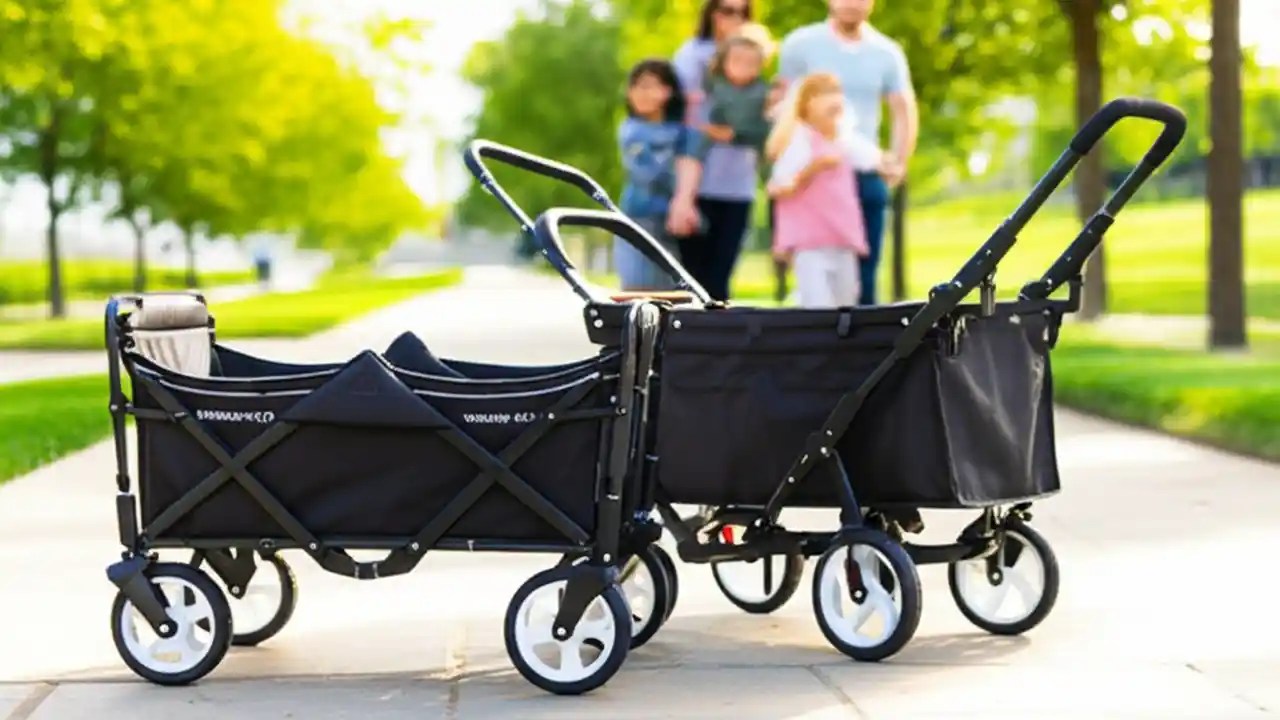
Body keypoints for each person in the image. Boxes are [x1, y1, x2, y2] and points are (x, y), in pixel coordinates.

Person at [776, 0, 919, 306]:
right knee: (814, 270)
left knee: (862, 278)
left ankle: (865, 349)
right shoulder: (800, 45)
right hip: (813, 173)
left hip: (863, 171)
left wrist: (898, 160)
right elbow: (783, 105)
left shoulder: (886, 52)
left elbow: (902, 109)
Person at [767, 73, 894, 308]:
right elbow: (779, 186)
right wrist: (813, 168)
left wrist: (889, 165)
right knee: (817, 304)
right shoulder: (800, 140)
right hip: (810, 241)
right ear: (807, 103)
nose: (833, 100)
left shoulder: (844, 139)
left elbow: (874, 159)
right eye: (824, 94)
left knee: (846, 303)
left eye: (836, 93)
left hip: (842, 236)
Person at [668, 0, 762, 302]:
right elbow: (686, 118)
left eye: (741, 12)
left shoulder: (754, 55)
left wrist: (737, 131)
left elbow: (760, 125)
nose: (733, 18)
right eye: (726, 10)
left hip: (739, 185)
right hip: (698, 184)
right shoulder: (694, 54)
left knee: (721, 277)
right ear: (711, 12)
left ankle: (717, 345)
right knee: (693, 277)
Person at [614, 59, 697, 291]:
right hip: (639, 215)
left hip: (675, 224)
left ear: (669, 91)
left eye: (651, 86)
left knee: (674, 291)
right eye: (637, 86)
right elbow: (646, 172)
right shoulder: (631, 130)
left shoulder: (682, 131)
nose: (642, 94)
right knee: (637, 286)